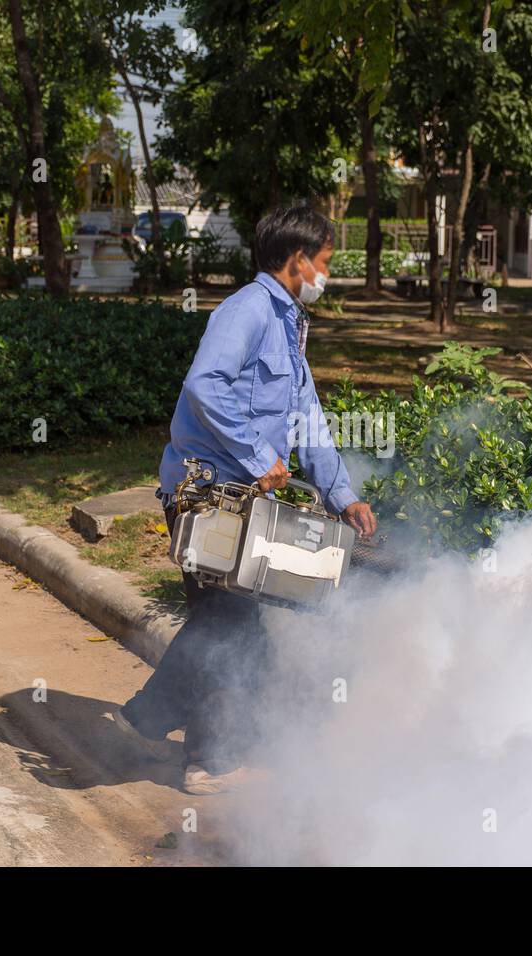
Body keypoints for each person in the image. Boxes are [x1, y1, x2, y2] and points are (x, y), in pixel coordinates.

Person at [113, 205, 378, 795]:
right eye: (326, 263)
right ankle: (202, 757)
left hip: (240, 500)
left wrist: (343, 495)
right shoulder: (249, 309)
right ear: (298, 260)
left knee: (229, 623)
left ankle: (155, 723)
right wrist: (262, 459)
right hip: (205, 493)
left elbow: (307, 418)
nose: (326, 275)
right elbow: (205, 384)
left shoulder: (289, 325)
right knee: (227, 624)